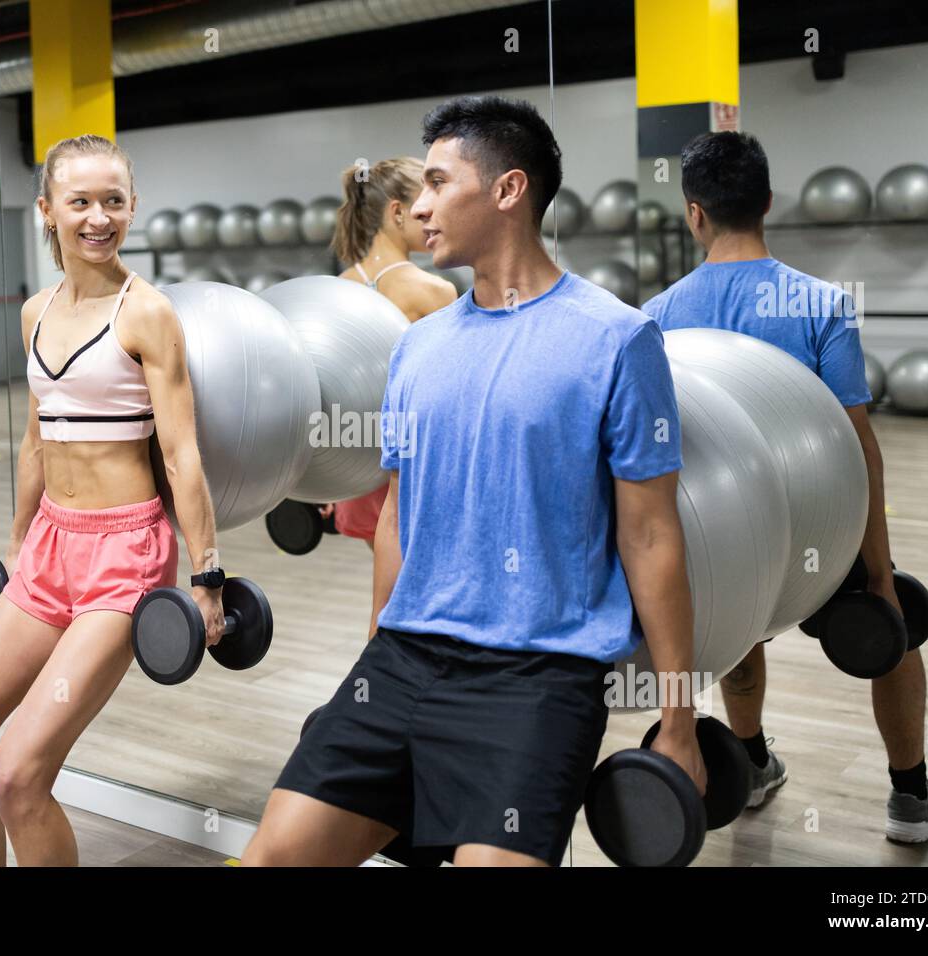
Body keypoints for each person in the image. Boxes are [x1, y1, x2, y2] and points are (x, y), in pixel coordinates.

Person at [243, 95, 702, 867]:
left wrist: (679, 719)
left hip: (537, 678)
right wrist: (371, 662)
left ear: (508, 190)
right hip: (403, 659)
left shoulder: (619, 339)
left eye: (436, 183)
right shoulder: (416, 347)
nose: (417, 208)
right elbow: (394, 518)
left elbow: (651, 534)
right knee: (270, 858)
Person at [0, 134, 225, 866]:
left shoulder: (146, 313)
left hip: (124, 558)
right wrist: (20, 542)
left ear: (132, 208)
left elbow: (181, 454)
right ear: (46, 211)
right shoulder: (35, 312)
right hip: (50, 549)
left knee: (19, 775)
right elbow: (35, 442)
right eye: (80, 201)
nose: (98, 217)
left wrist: (208, 575)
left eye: (113, 201)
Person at [642, 130, 928, 844]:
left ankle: (749, 766)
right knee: (893, 638)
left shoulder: (655, 317)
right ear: (769, 203)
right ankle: (911, 799)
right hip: (823, 525)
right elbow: (858, 450)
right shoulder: (819, 303)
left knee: (738, 628)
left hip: (727, 533)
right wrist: (879, 576)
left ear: (695, 214)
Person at [322, 157, 458, 549]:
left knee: (387, 578)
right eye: (424, 204)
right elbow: (447, 396)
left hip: (357, 461)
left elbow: (330, 392)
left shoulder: (339, 286)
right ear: (396, 211)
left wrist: (329, 473)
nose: (432, 215)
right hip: (415, 466)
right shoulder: (432, 290)